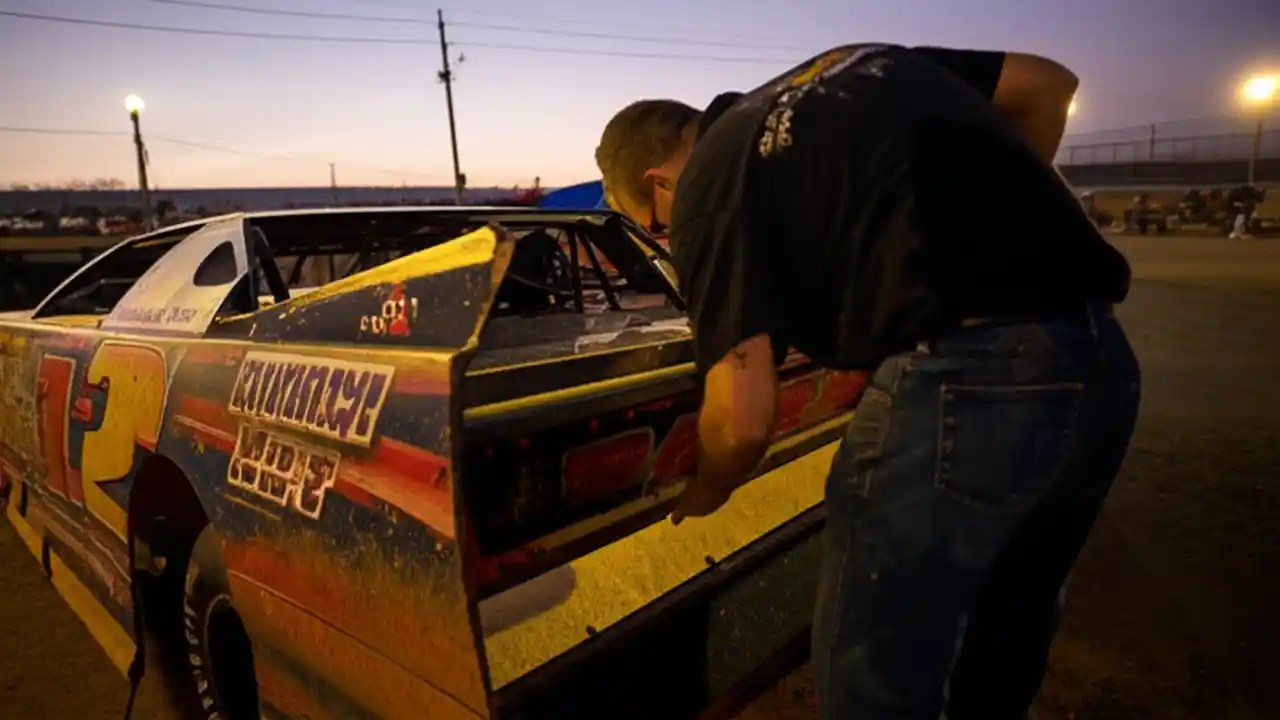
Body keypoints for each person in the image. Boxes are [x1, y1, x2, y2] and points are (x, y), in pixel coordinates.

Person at [594, 44, 1140, 720]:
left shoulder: (710, 178)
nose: (668, 240)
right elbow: (1047, 84)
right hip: (1097, 360)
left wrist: (703, 489)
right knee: (1004, 629)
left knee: (875, 671)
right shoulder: (850, 66)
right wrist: (990, 230)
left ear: (658, 185)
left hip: (962, 373)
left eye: (655, 232)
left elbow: (741, 414)